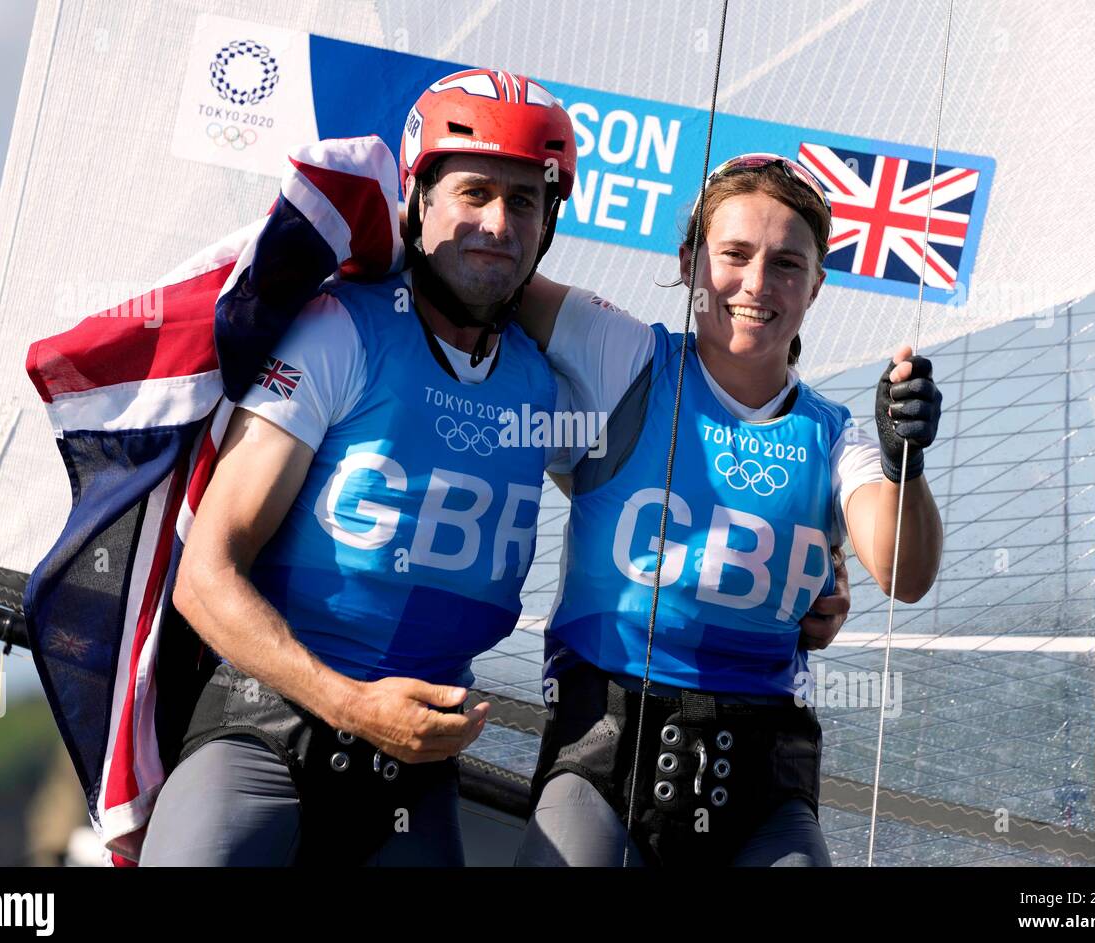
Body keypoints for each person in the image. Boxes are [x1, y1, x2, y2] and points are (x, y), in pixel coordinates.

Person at [140, 68, 581, 866]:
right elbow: (205, 578)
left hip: (411, 775)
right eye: (474, 192)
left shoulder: (545, 382)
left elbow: (655, 492)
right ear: (417, 204)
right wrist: (352, 705)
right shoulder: (339, 331)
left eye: (525, 202)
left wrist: (818, 565)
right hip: (264, 729)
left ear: (549, 224)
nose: (497, 222)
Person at [510, 153, 944, 866]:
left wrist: (906, 463)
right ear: (689, 264)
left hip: (762, 786)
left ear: (816, 287)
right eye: (733, 255)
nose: (755, 284)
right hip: (602, 755)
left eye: (786, 265)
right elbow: (490, 270)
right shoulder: (625, 354)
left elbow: (906, 574)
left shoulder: (836, 436)